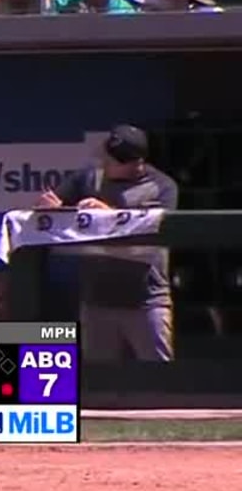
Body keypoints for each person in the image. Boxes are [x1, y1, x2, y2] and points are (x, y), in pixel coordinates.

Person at [36, 126, 178, 362]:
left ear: (135, 163)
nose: (105, 163)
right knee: (99, 386)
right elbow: (55, 202)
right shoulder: (90, 177)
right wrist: (49, 207)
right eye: (106, 156)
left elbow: (150, 232)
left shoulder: (162, 187)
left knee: (160, 384)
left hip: (146, 301)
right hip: (97, 302)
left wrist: (107, 213)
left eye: (113, 160)